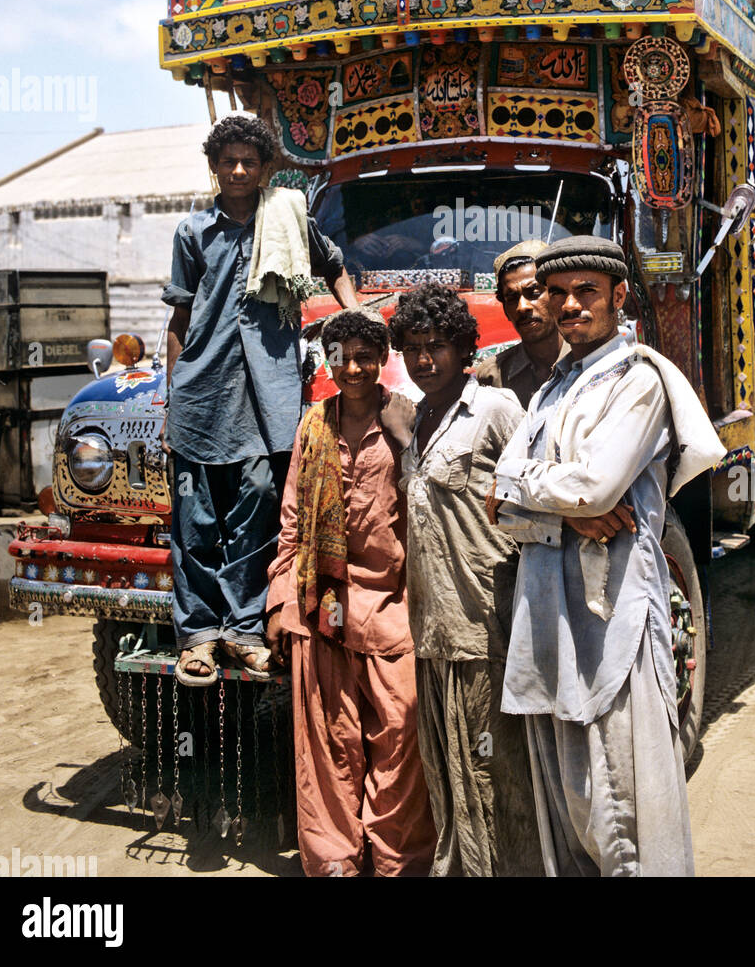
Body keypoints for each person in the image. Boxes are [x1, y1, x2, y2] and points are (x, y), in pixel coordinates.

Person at [488, 236, 726, 877]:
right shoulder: (550, 390)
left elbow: (593, 485)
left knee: (626, 809)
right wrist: (567, 511)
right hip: (548, 618)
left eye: (585, 291)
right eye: (556, 293)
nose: (568, 305)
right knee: (573, 809)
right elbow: (500, 502)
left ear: (619, 297)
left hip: (612, 617)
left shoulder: (639, 381)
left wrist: (542, 495)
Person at [162, 114, 359, 686]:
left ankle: (245, 631)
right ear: (214, 167)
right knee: (196, 518)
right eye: (229, 162)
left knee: (257, 508)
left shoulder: (290, 216)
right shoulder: (191, 231)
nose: (240, 170)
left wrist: (353, 317)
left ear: (267, 166)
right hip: (203, 390)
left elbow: (335, 265)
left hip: (270, 389)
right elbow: (178, 317)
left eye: (251, 161)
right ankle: (197, 636)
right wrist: (172, 394)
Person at [265, 310, 435, 877]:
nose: (355, 366)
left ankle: (398, 861)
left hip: (394, 606)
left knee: (401, 735)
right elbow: (292, 522)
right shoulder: (313, 425)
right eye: (342, 355)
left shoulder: (405, 419)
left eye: (367, 355)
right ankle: (336, 858)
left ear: (383, 359)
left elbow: (429, 515)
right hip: (325, 608)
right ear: (328, 362)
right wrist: (284, 601)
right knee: (330, 743)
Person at [388, 282, 543, 877]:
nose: (424, 360)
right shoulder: (419, 416)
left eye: (437, 347)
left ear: (462, 348)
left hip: (488, 629)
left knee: (498, 774)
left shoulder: (498, 409)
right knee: (448, 773)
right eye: (413, 348)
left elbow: (538, 488)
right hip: (433, 631)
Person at [476, 239, 569, 409]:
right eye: (511, 298)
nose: (522, 307)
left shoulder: (588, 361)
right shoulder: (492, 376)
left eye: (533, 293)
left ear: (557, 296)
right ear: (504, 309)